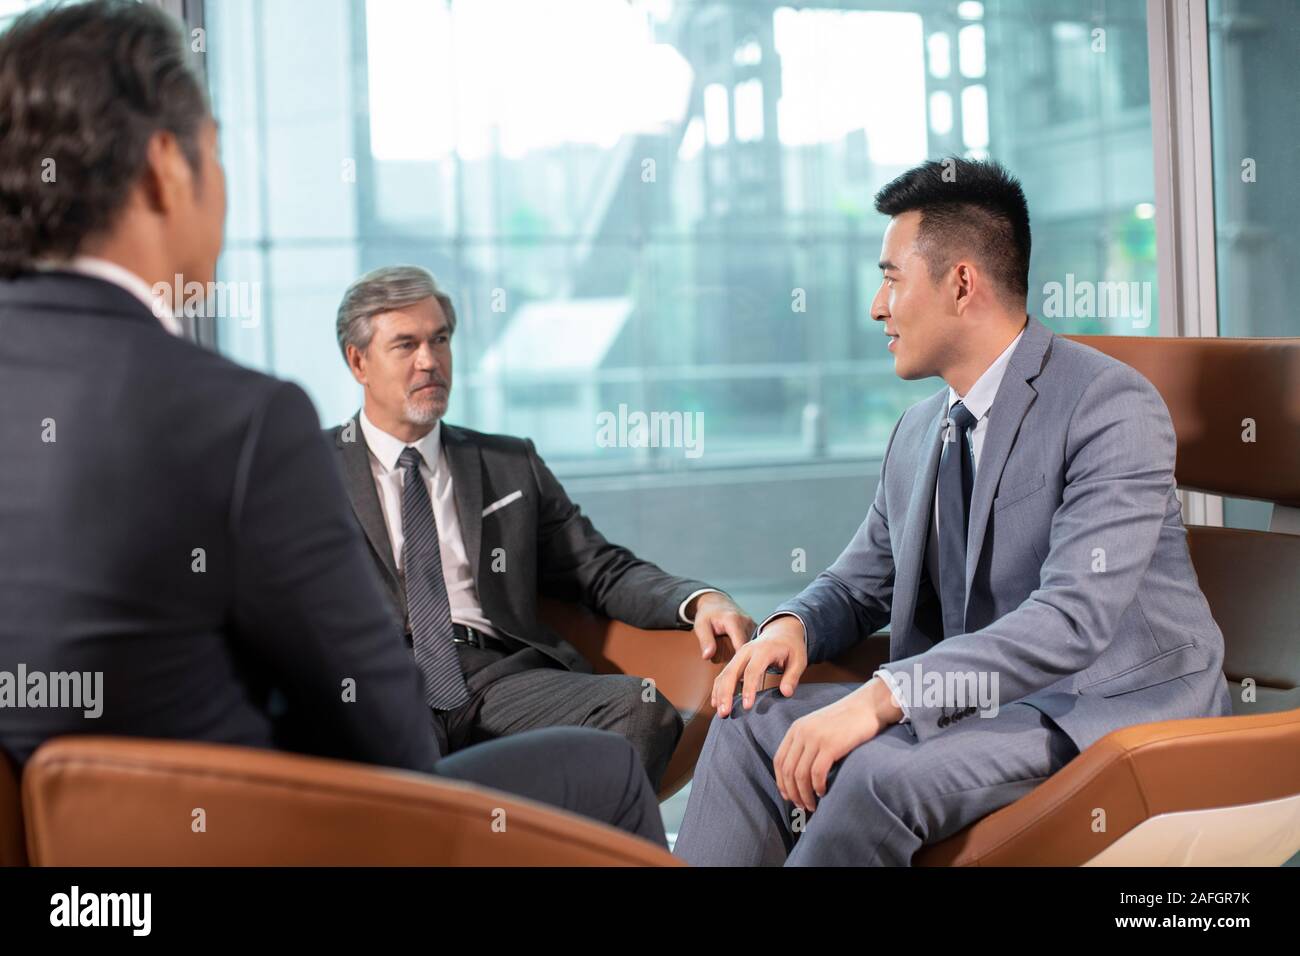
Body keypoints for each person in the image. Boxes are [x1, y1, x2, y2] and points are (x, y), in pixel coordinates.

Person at [0, 0, 663, 846]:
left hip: (81, 853)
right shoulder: (240, 419)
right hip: (271, 839)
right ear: (167, 167)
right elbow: (385, 737)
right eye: (216, 151)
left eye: (440, 341)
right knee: (600, 768)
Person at [673, 158, 1233, 865]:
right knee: (748, 719)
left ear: (962, 282)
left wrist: (882, 699)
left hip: (1091, 710)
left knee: (877, 776)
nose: (877, 306)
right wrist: (793, 626)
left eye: (891, 278)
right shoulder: (918, 431)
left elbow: (1073, 619)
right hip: (970, 706)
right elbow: (858, 583)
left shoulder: (1107, 406)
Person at [326, 265, 756, 790]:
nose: (429, 361)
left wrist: (699, 600)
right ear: (358, 361)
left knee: (641, 710)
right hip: (379, 681)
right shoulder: (306, 469)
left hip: (495, 679)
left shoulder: (508, 464)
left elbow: (598, 568)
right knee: (392, 736)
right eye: (406, 345)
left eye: (440, 340)